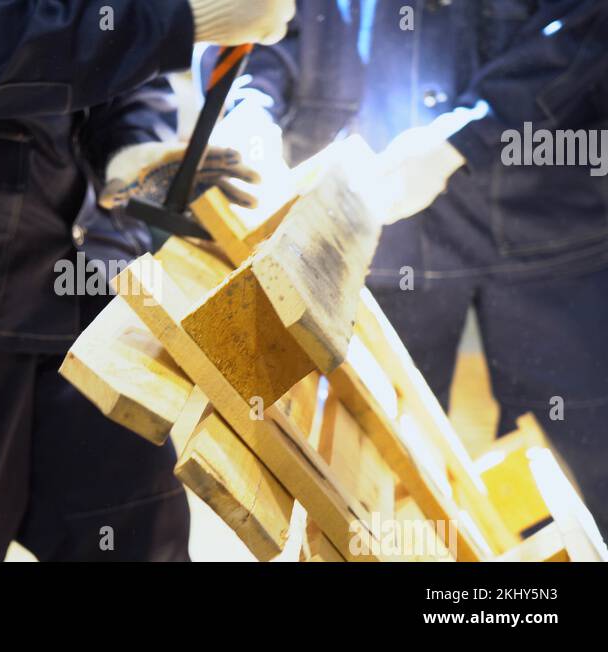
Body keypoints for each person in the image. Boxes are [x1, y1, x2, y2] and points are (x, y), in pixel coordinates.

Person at [0, 0, 296, 561]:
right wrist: (178, 20)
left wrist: (128, 145)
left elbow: (107, 47)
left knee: (141, 541)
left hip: (81, 283)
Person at [203, 0, 608, 535]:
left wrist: (463, 136)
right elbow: (258, 21)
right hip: (376, 219)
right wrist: (247, 113)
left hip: (545, 213)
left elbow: (586, 23)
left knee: (578, 455)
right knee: (381, 476)